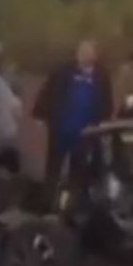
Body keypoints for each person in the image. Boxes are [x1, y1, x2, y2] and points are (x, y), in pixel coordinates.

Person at [32, 39, 114, 189]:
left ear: (95, 56)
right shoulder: (62, 71)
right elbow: (48, 91)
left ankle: (74, 195)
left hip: (86, 130)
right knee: (54, 164)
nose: (84, 56)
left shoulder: (101, 75)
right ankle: (49, 194)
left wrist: (104, 121)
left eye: (89, 52)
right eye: (82, 52)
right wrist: (39, 114)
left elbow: (106, 100)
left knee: (79, 166)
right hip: (61, 128)